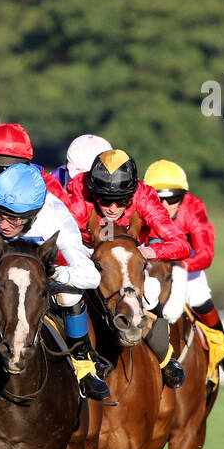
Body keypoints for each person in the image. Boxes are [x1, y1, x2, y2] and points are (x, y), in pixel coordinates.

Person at [0, 162, 110, 400]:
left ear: (34, 214)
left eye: (13, 219)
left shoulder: (55, 213)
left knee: (71, 294)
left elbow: (91, 276)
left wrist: (54, 273)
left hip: (38, 278)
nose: (3, 224)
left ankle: (83, 363)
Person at [65, 147, 190, 388]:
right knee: (67, 292)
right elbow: (57, 235)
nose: (112, 208)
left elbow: (181, 244)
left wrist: (147, 252)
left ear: (132, 193)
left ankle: (166, 357)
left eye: (121, 201)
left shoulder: (144, 196)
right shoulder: (79, 198)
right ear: (93, 192)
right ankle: (81, 357)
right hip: (84, 249)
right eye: (104, 200)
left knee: (151, 291)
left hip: (130, 251)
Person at [143, 159, 224, 375]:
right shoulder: (139, 205)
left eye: (174, 199)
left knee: (200, 298)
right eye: (159, 199)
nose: (166, 205)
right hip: (148, 267)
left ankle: (222, 350)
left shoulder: (194, 208)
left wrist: (180, 265)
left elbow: (205, 254)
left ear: (183, 197)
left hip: (185, 268)